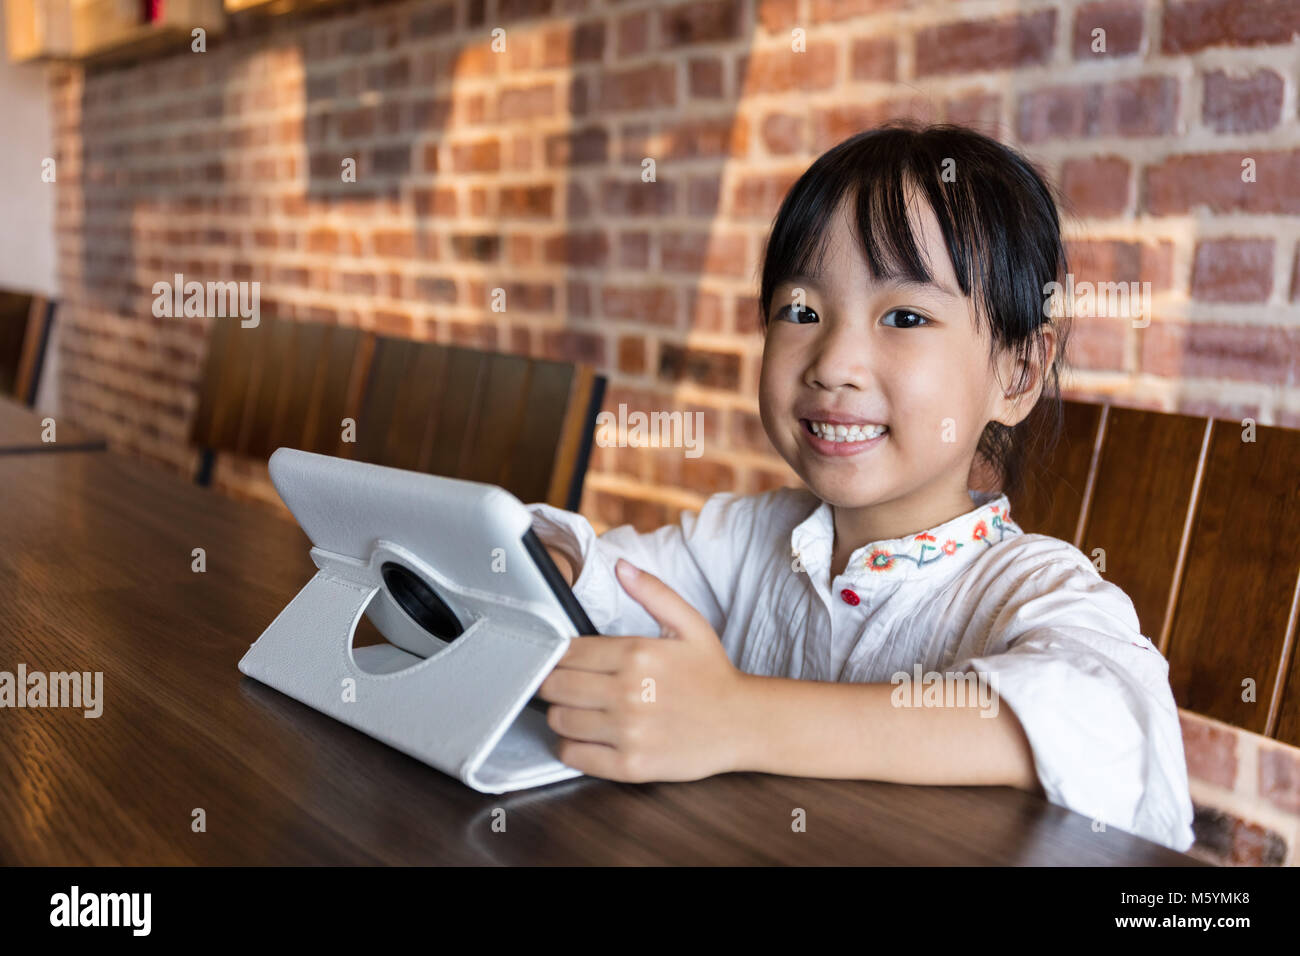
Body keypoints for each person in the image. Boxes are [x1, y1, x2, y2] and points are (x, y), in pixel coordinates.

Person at [527, 123, 1196, 853]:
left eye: (905, 316)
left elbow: (1103, 720)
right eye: (801, 311)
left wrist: (739, 717)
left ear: (1019, 374)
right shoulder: (748, 540)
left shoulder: (1026, 586)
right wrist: (537, 569)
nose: (833, 361)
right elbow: (601, 583)